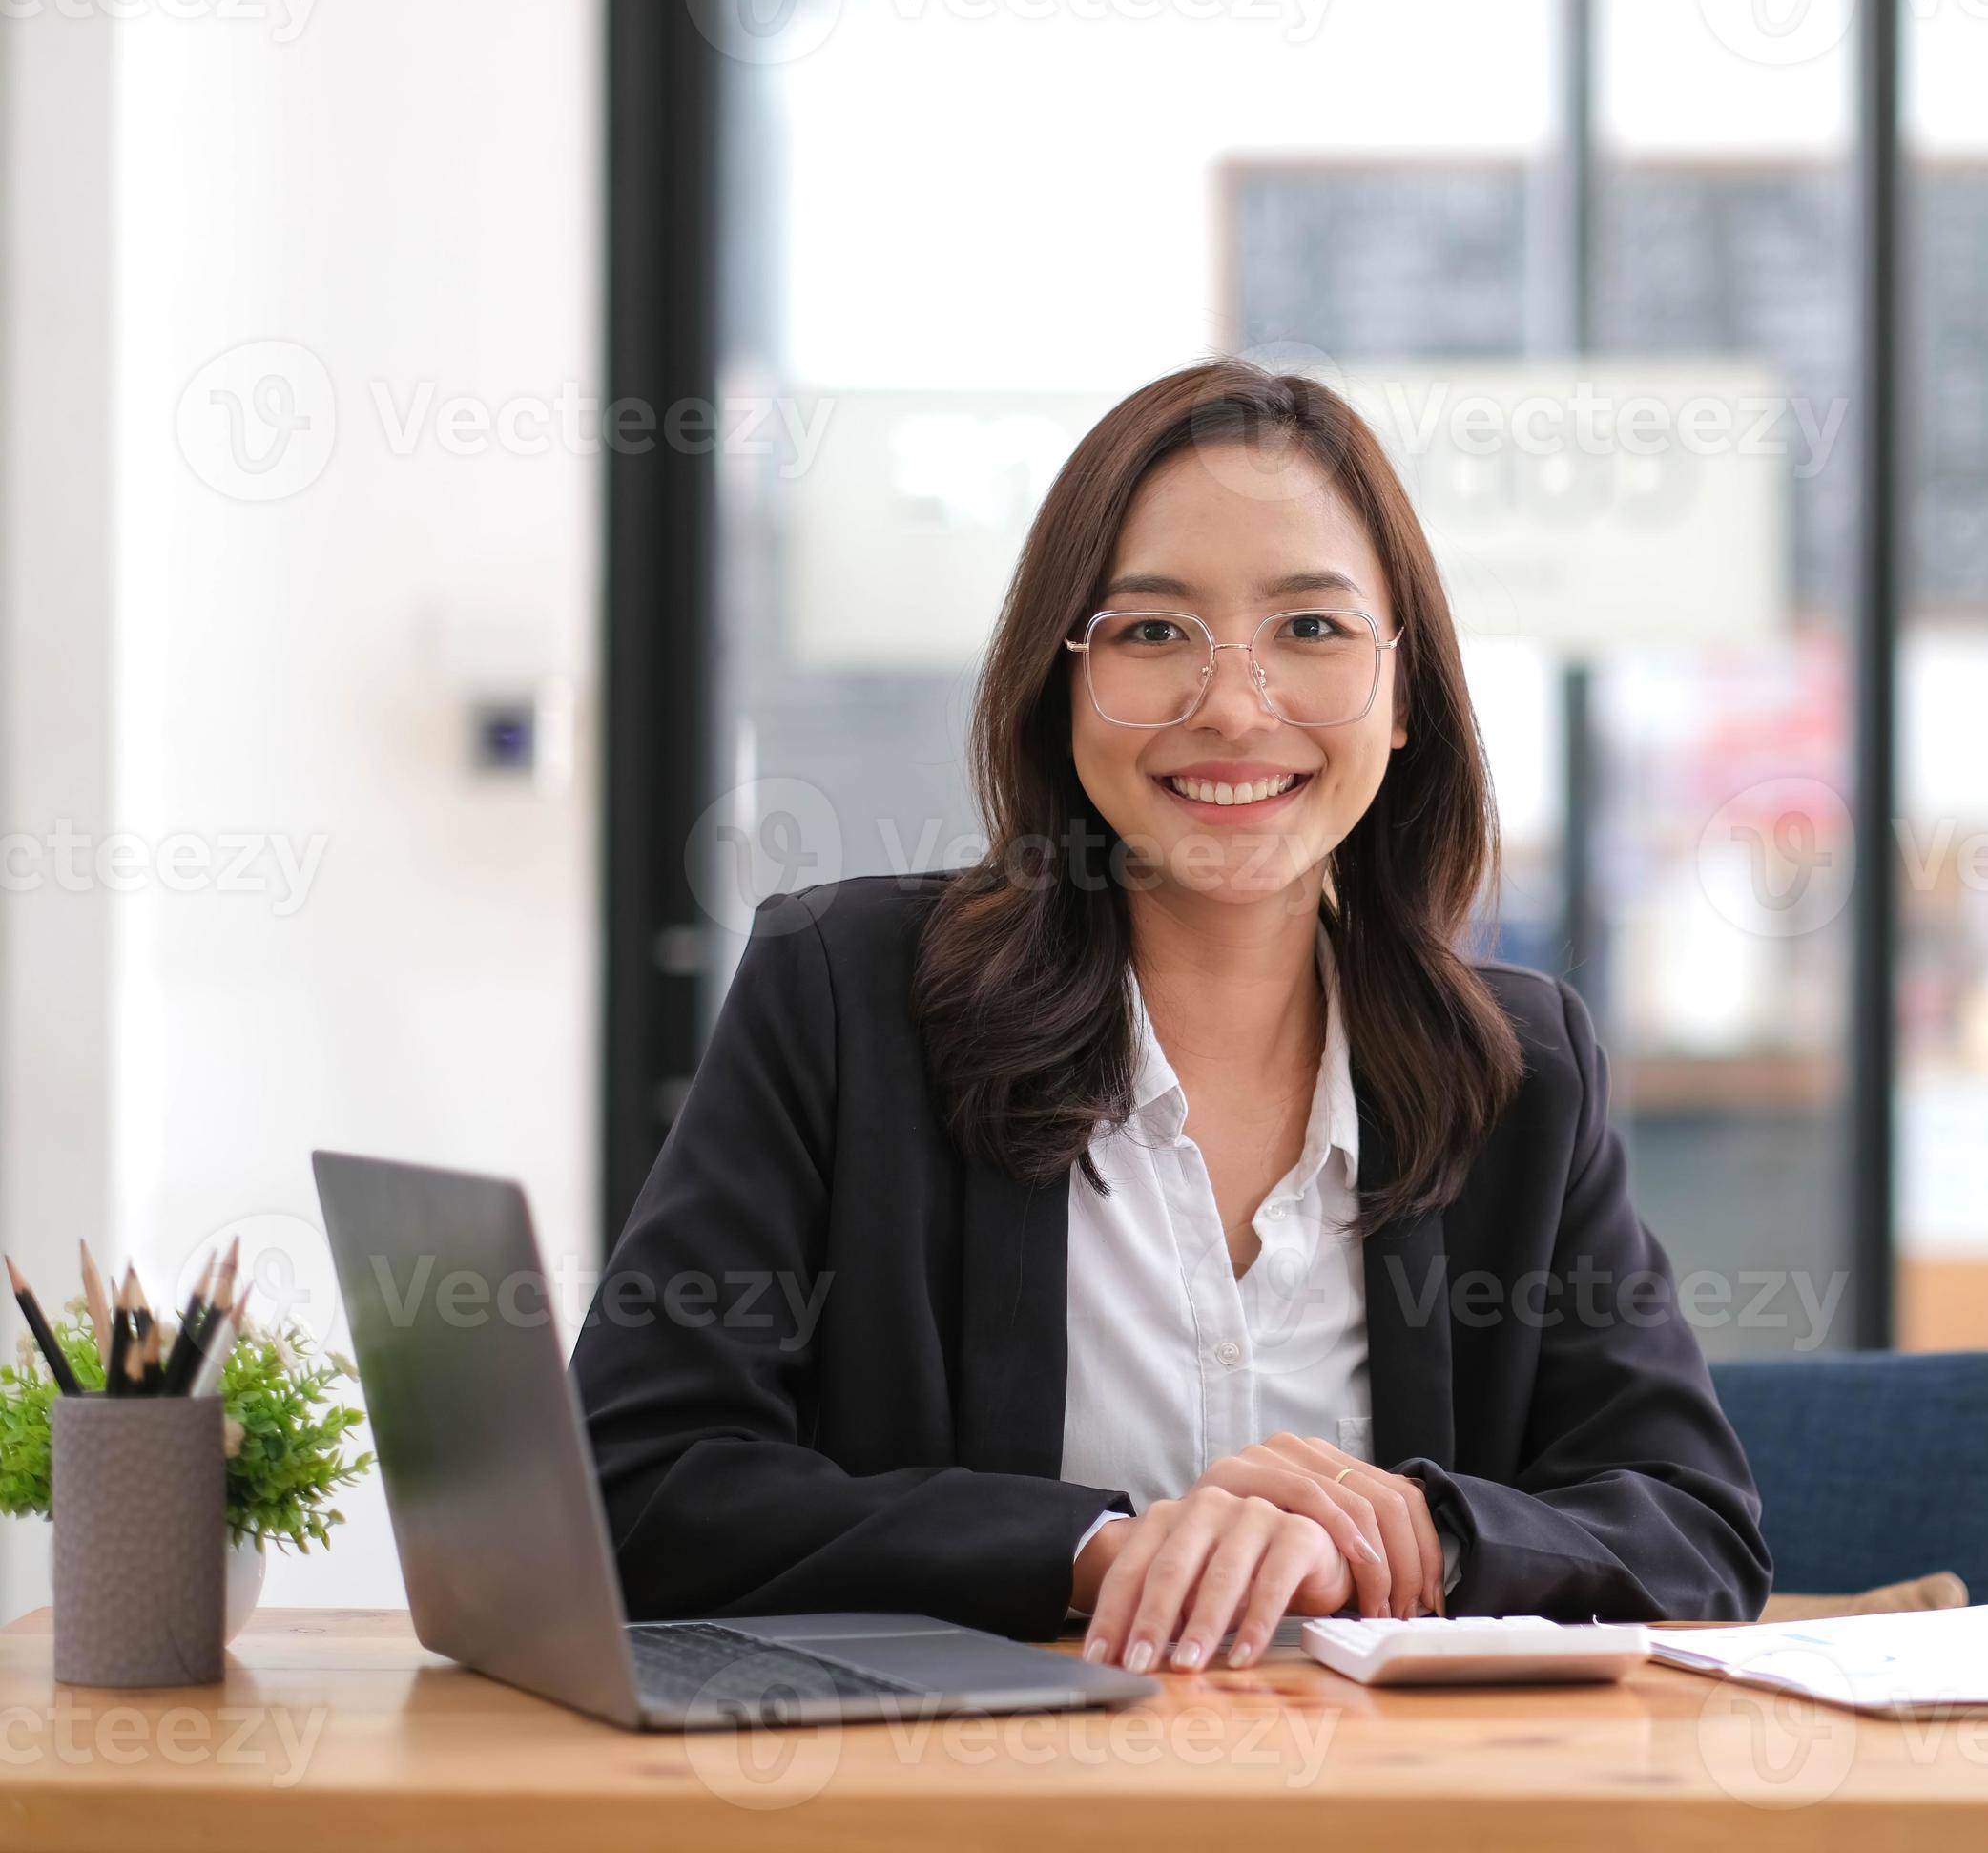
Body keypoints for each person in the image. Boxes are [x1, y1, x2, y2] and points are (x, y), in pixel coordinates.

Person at [570, 359, 1770, 1676]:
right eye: (1151, 633)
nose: (1235, 707)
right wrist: (1092, 1553)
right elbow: (636, 1486)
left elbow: (1692, 1534)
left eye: (1311, 630)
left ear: (1407, 690)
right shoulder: (843, 993)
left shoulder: (1520, 1067)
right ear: (1061, 681)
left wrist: (1414, 1535)